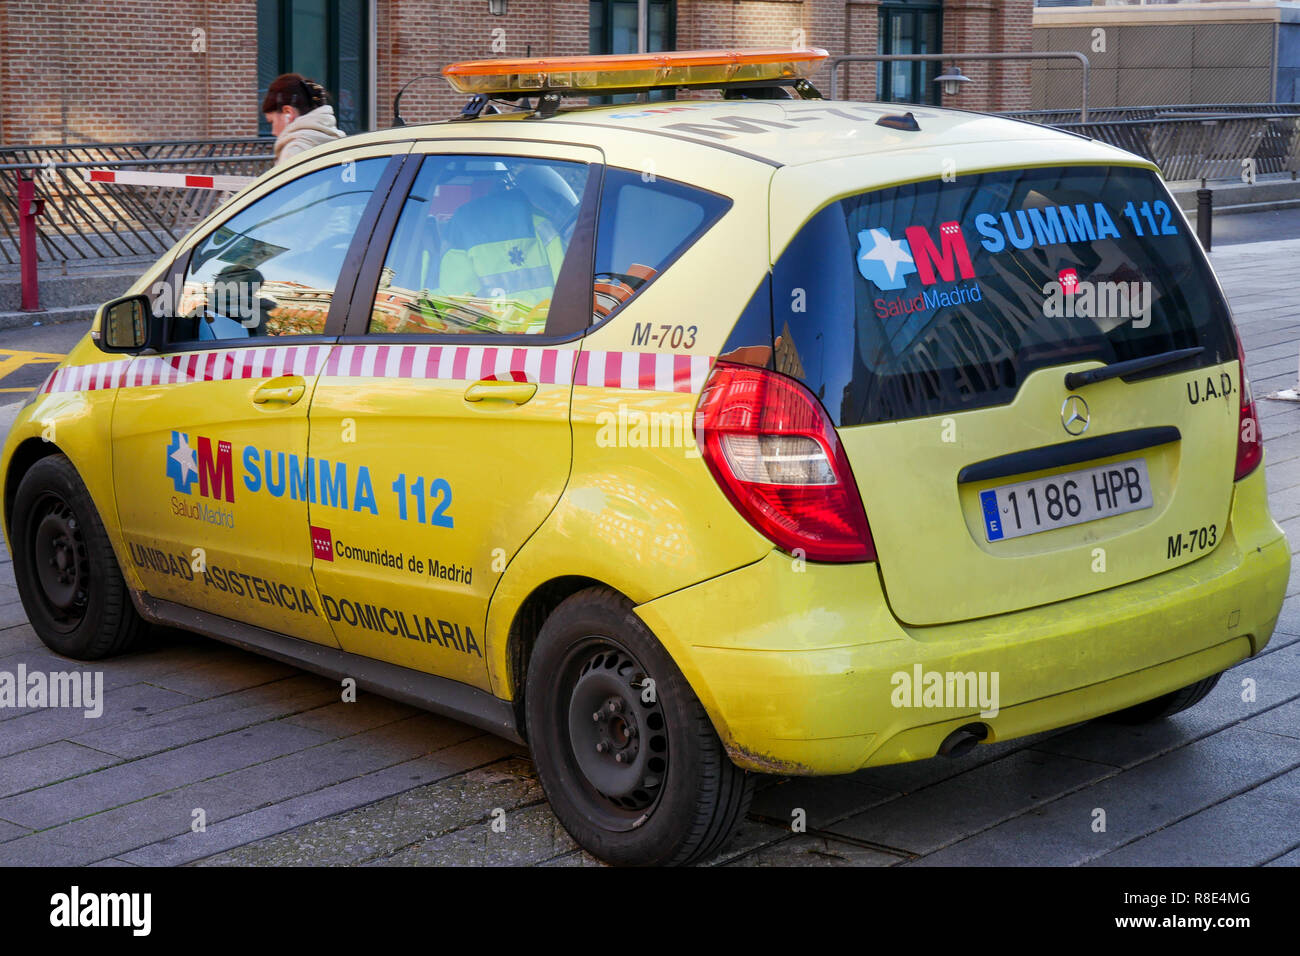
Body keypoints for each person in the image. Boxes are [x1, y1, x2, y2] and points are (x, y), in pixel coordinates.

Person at [261, 73, 346, 165]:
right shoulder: (342, 143)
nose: (273, 132)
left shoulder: (294, 150)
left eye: (272, 122)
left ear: (288, 112)